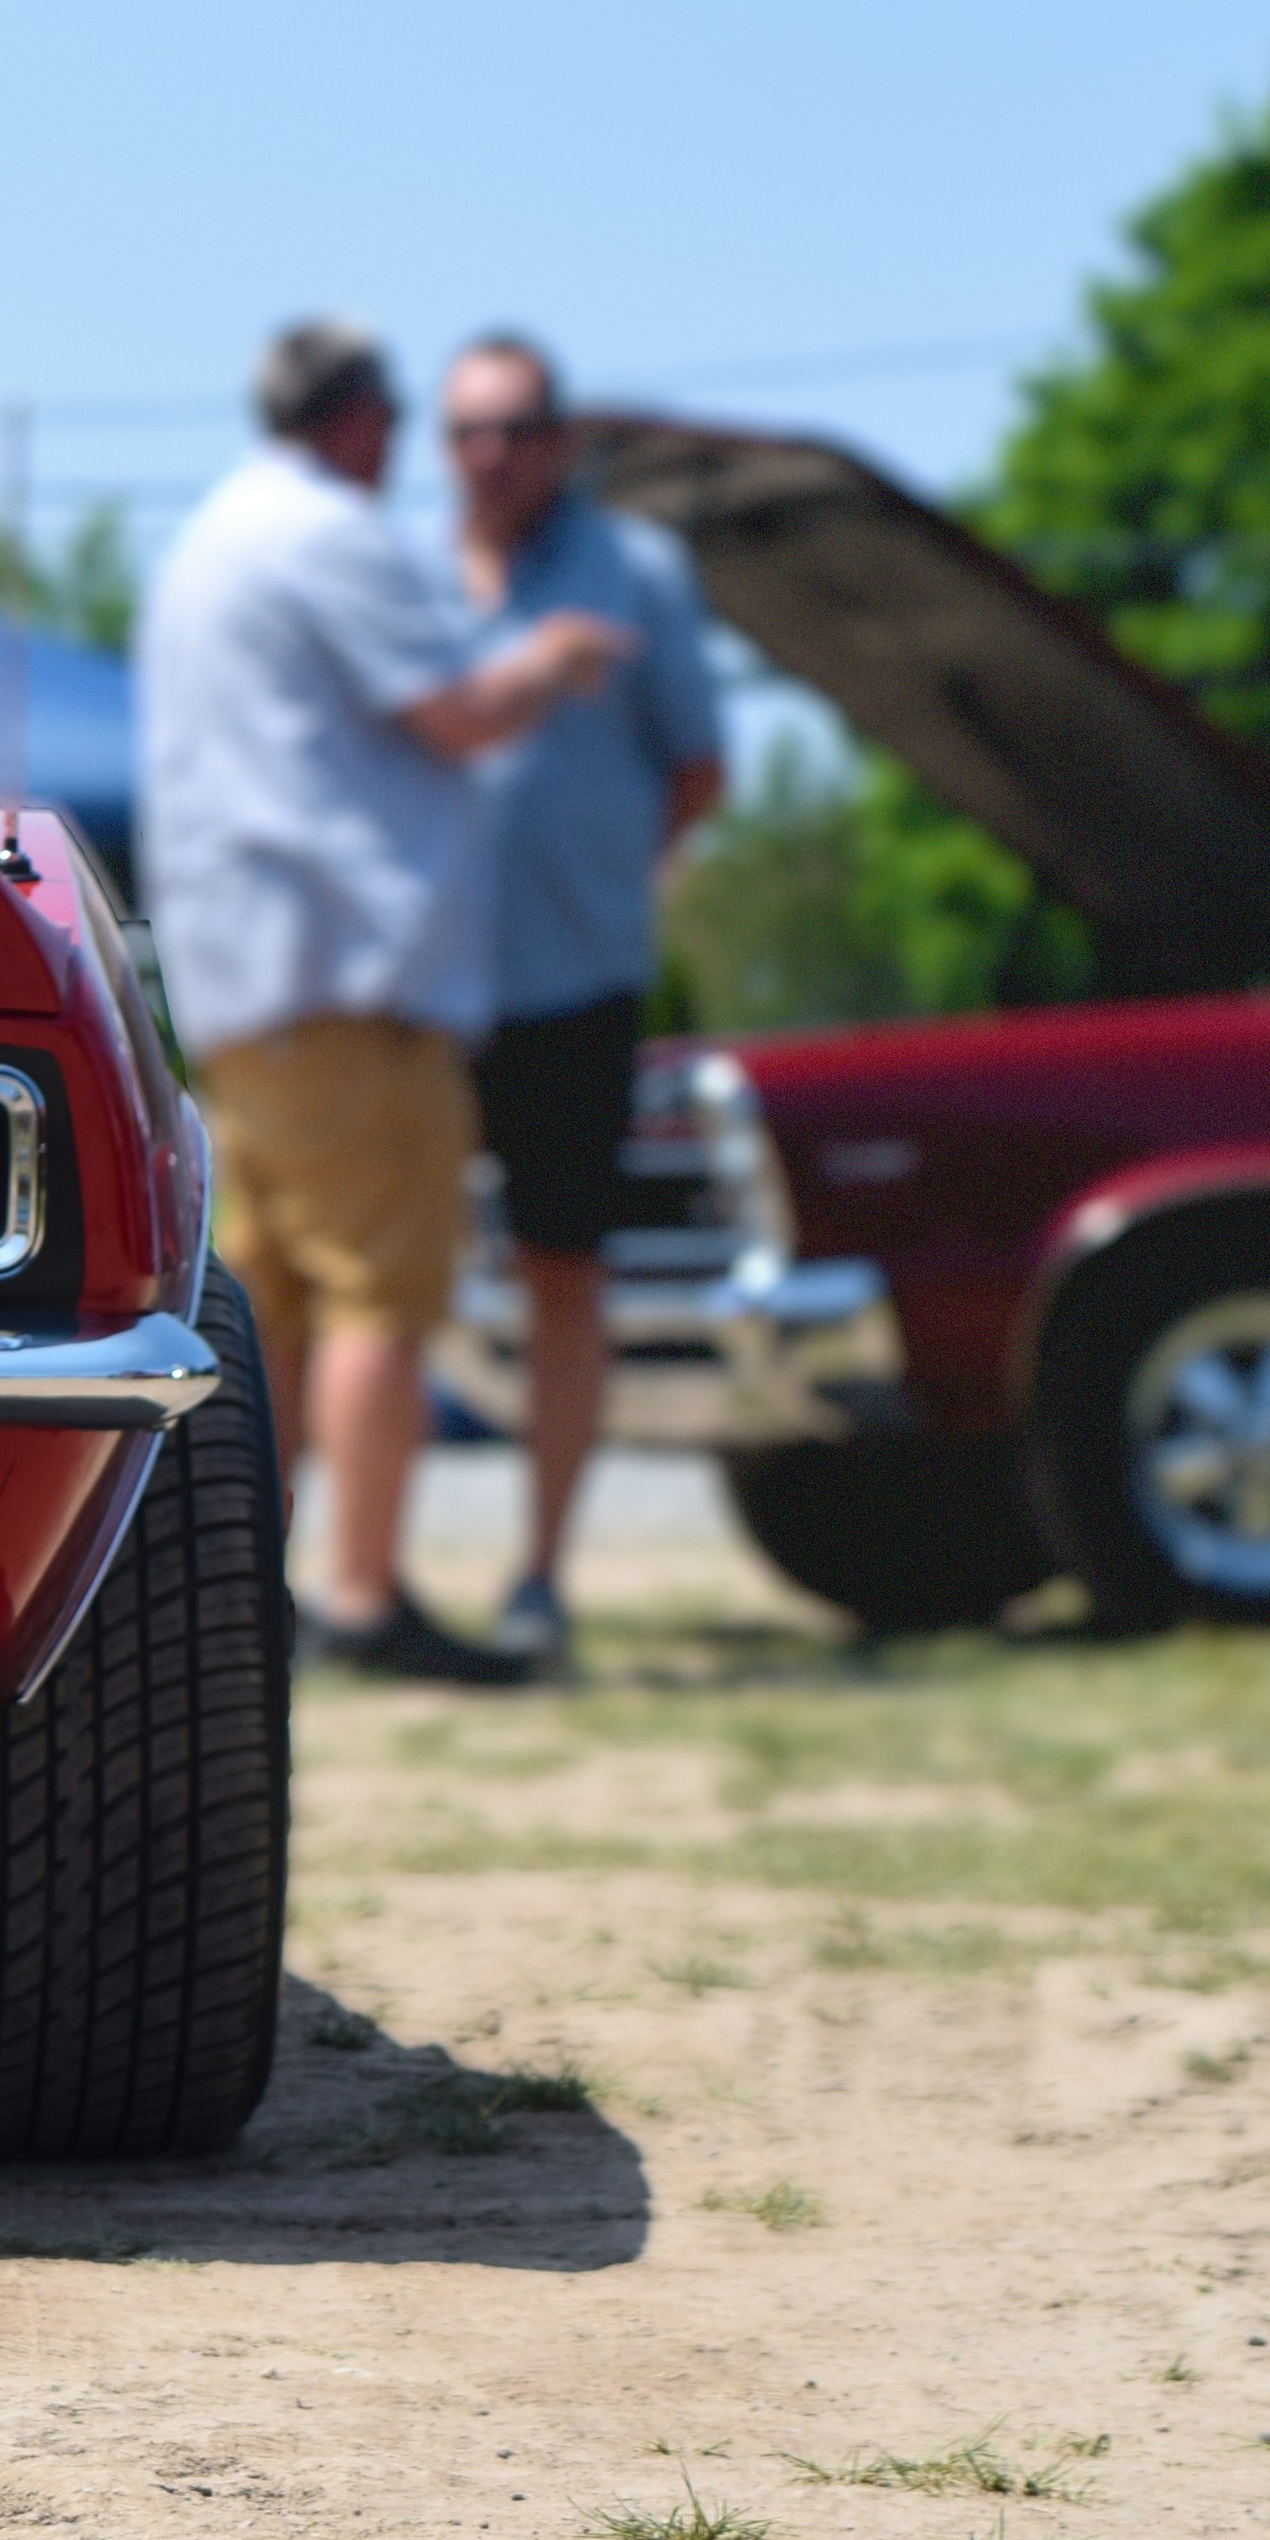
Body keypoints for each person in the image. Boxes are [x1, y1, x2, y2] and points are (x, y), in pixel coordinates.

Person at [138, 314, 638, 1684]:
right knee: (377, 1294)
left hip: (247, 990)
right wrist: (550, 660)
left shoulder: (209, 537)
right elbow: (457, 712)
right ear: (360, 418)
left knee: (274, 1307)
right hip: (349, 984)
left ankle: (247, 1599)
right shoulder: (331, 533)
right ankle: (361, 1591)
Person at [437, 332, 723, 1672]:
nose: (489, 453)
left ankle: (538, 1571)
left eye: (514, 426)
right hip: (416, 990)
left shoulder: (638, 572)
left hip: (571, 982)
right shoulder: (403, 579)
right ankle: (343, 1573)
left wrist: (607, 881)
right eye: (465, 430)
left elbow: (698, 770)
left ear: (559, 435)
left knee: (563, 1270)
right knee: (373, 1280)